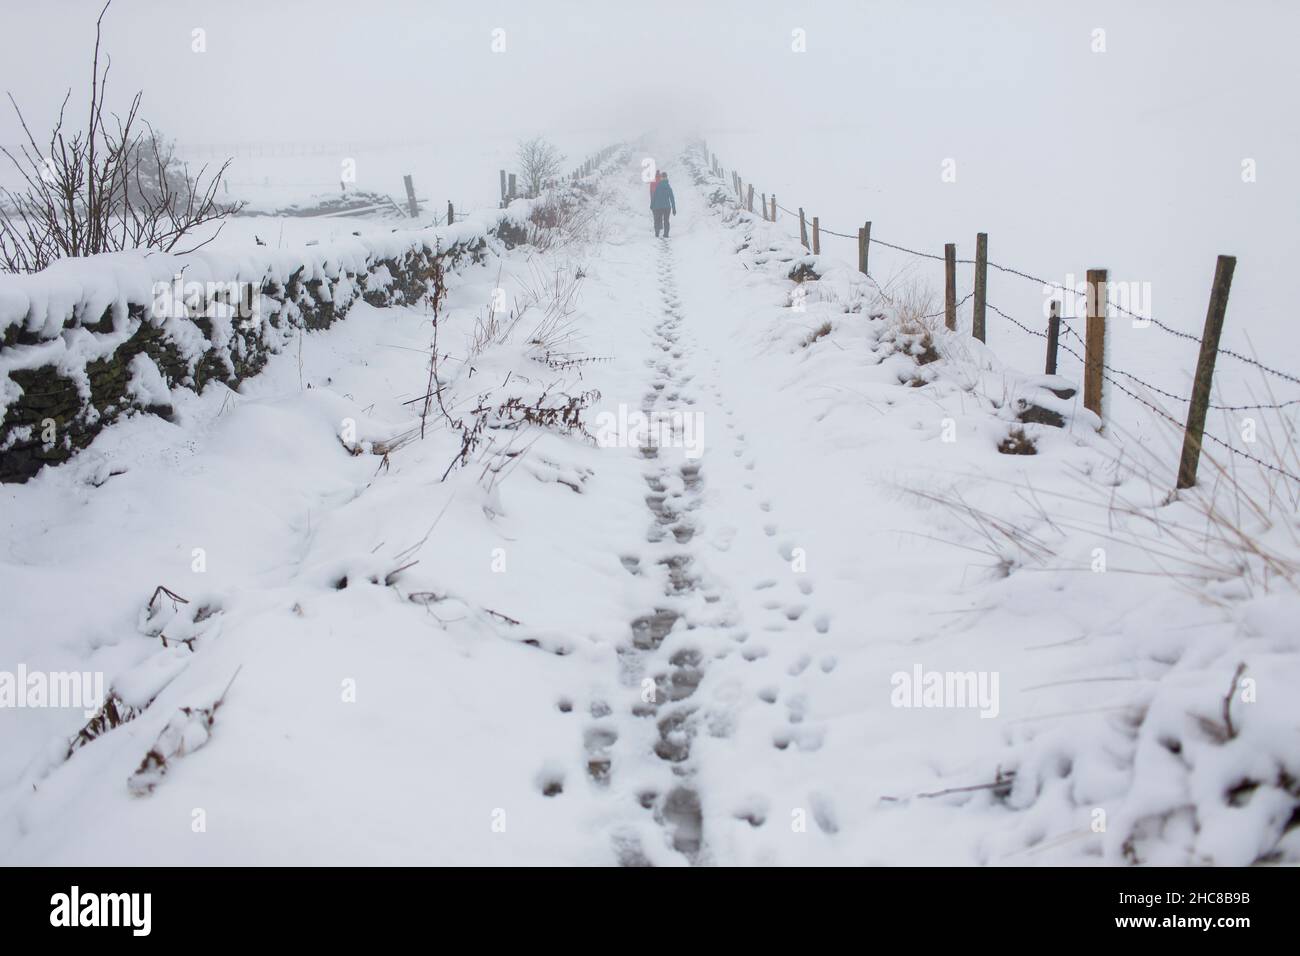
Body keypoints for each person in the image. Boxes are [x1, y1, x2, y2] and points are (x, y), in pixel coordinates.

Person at [650, 171, 676, 238]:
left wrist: (652, 205)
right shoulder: (668, 187)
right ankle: (666, 234)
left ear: (661, 178)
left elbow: (654, 197)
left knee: (658, 220)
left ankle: (657, 233)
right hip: (667, 207)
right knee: (666, 221)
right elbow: (672, 198)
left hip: (658, 207)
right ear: (666, 178)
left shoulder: (658, 186)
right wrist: (674, 208)